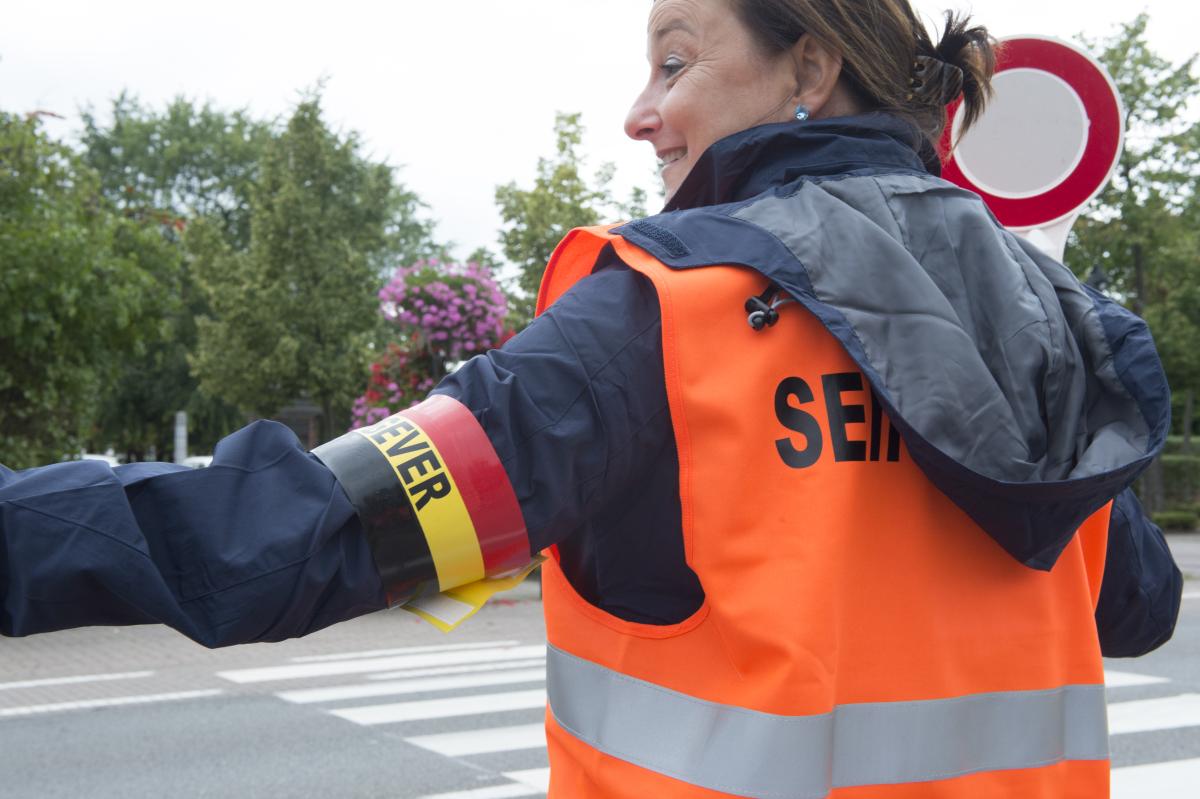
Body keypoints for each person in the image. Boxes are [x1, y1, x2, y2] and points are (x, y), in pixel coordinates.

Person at [0, 0, 1183, 796]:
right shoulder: (1043, 325)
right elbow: (1134, 606)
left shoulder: (664, 318)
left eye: (675, 61)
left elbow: (286, 536)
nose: (638, 112)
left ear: (809, 66)